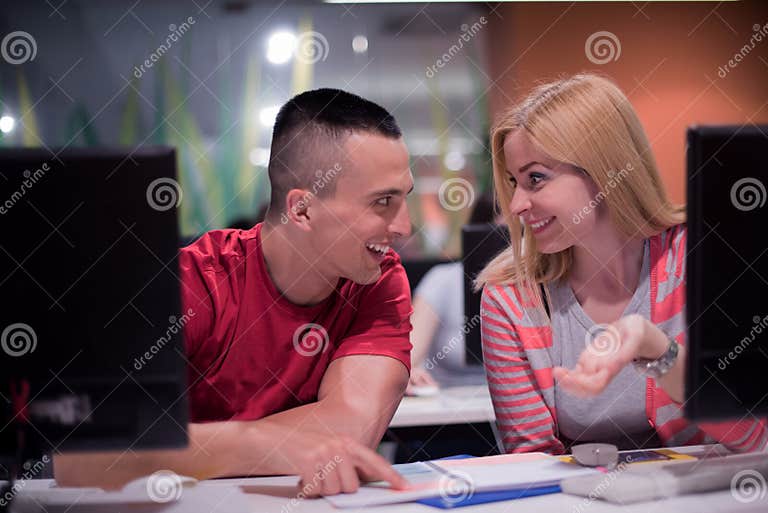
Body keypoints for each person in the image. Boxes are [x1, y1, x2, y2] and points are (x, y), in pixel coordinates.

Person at [54, 88, 415, 495]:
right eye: (383, 202)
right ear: (302, 210)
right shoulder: (192, 282)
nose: (405, 226)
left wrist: (189, 447)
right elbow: (81, 458)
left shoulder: (377, 280)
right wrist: (252, 442)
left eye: (404, 198)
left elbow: (350, 431)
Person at [475, 73, 767, 454]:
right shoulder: (510, 298)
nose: (516, 206)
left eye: (536, 178)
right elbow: (532, 466)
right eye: (515, 182)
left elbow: (750, 436)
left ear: (604, 171)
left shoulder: (704, 257)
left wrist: (657, 352)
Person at [407, 194, 495, 393]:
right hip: (447, 404)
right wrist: (408, 372)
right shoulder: (444, 279)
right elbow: (409, 356)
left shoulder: (545, 283)